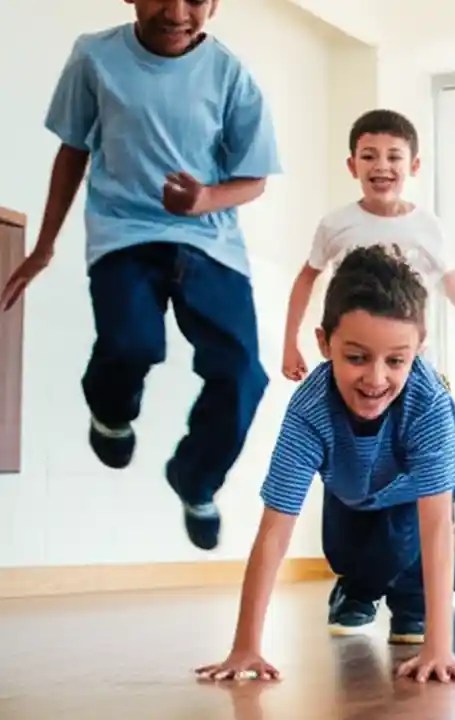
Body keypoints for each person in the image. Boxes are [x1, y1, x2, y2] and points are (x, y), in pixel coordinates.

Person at [1, 0, 281, 550]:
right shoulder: (95, 57)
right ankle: (110, 410)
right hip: (124, 235)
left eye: (195, 0)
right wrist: (45, 245)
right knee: (133, 343)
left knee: (244, 374)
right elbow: (72, 151)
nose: (176, 12)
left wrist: (205, 199)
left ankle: (196, 477)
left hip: (209, 244)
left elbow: (254, 179)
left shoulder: (231, 74)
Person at [196, 246, 455, 684]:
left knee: (397, 552)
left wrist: (439, 649)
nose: (375, 378)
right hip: (356, 478)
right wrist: (246, 646)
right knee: (344, 555)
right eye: (356, 357)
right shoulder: (310, 411)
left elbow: (434, 524)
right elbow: (275, 528)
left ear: (417, 352)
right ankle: (373, 580)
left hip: (419, 483)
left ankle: (419, 595)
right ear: (324, 343)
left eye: (396, 360)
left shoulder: (427, 407)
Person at [280, 108, 455, 599]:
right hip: (356, 363)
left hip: (411, 369)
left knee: (426, 466)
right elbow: (307, 278)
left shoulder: (428, 226)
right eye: (369, 156)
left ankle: (426, 563)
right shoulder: (336, 224)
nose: (382, 165)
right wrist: (290, 340)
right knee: (357, 470)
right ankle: (363, 575)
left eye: (394, 156)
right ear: (351, 165)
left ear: (414, 166)